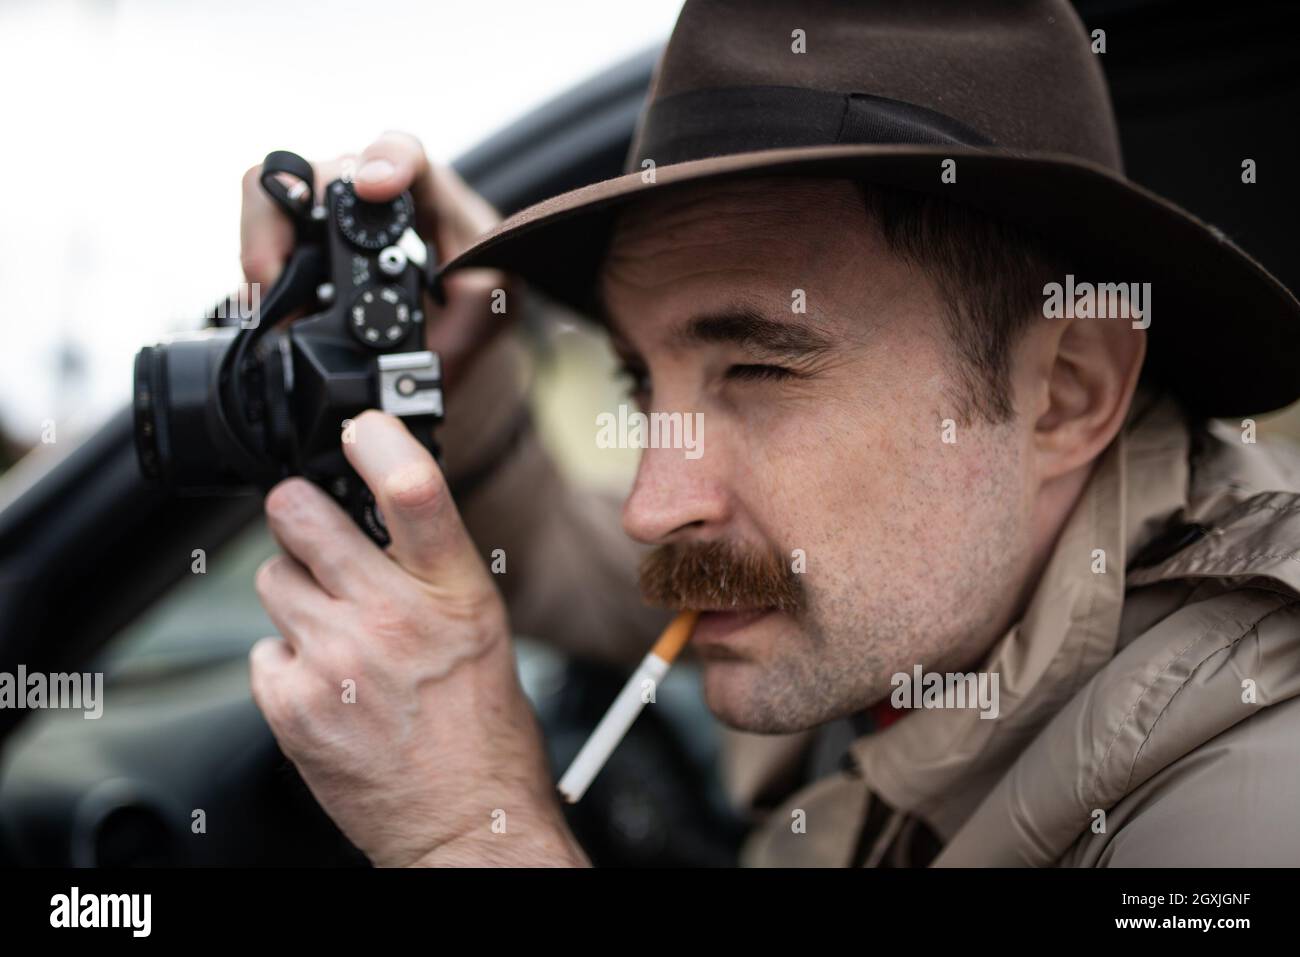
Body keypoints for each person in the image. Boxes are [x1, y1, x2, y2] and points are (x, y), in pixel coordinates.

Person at [243, 0, 1300, 867]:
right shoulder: (879, 583)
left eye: (757, 367)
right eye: (641, 380)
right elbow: (574, 569)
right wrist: (459, 376)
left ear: (1065, 392)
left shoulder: (1249, 797)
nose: (653, 506)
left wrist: (473, 839)